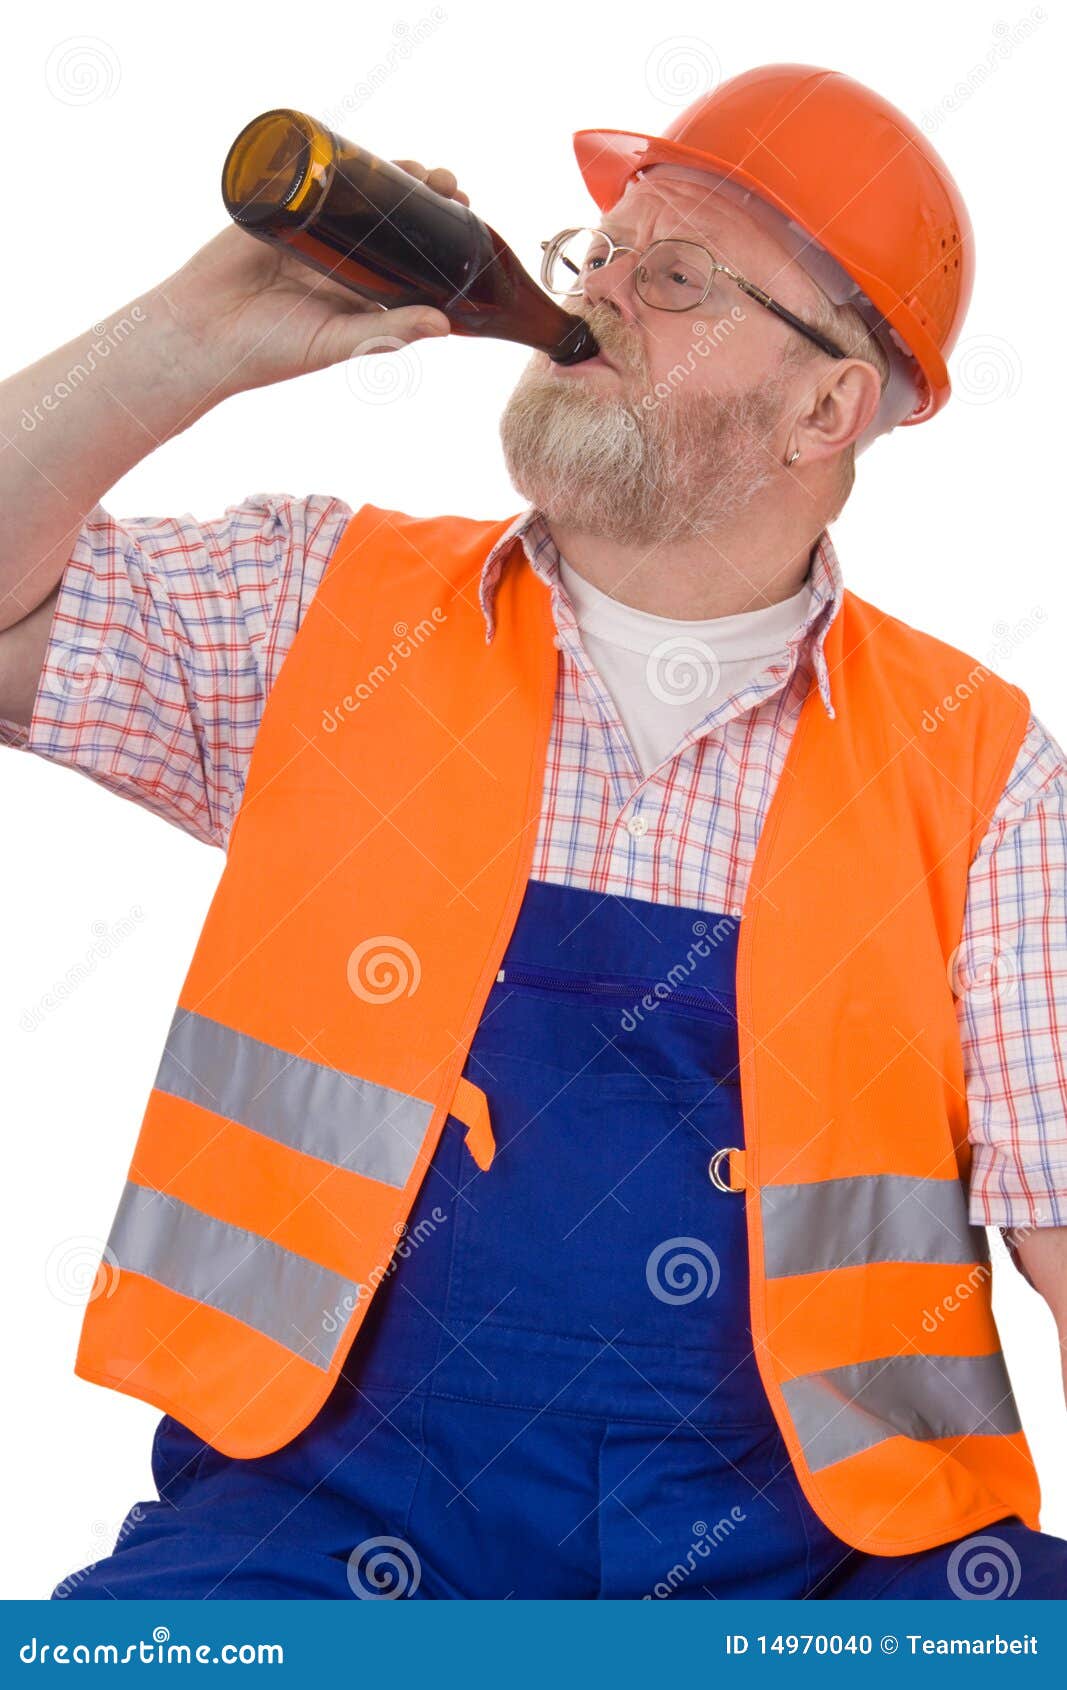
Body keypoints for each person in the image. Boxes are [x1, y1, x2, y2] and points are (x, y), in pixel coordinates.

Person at [2, 63, 1065, 1601]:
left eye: (679, 274)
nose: (601, 292)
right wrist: (193, 335)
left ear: (828, 403)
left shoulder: (981, 775)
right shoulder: (323, 612)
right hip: (310, 1535)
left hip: (824, 1567)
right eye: (600, 253)